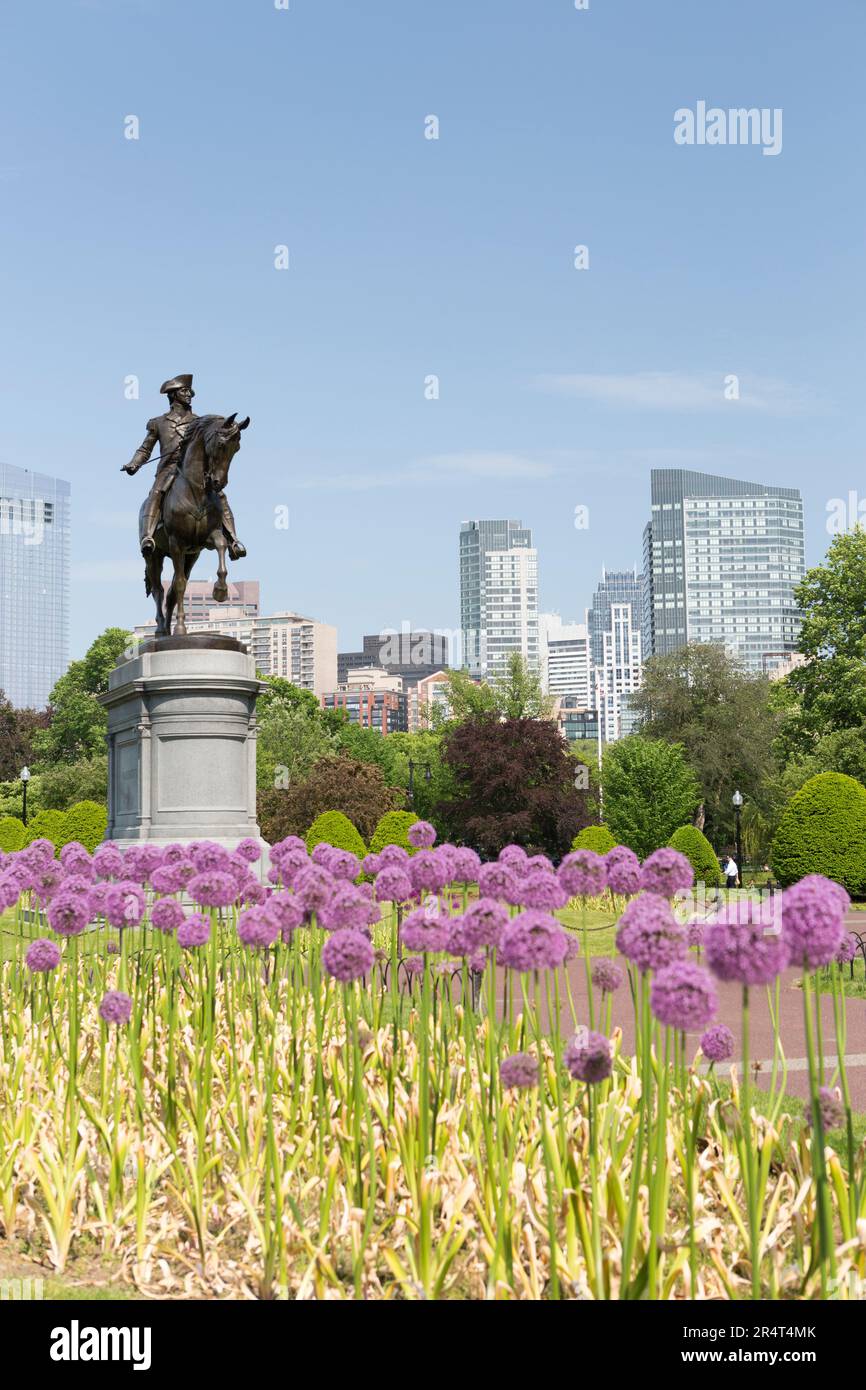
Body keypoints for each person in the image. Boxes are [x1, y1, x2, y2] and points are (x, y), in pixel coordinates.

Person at [123, 374, 246, 560]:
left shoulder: (199, 422)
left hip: (195, 470)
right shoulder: (159, 423)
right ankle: (148, 536)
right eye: (184, 391)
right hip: (169, 468)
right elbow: (145, 449)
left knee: (219, 494)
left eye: (190, 391)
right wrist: (134, 463)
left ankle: (233, 540)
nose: (189, 394)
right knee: (157, 492)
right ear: (173, 395)